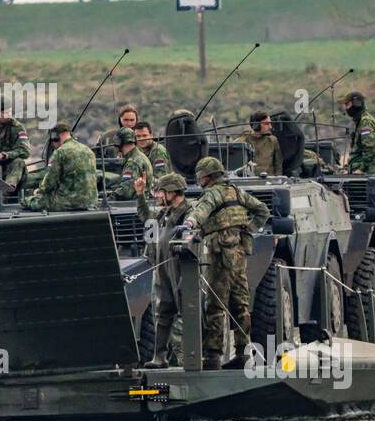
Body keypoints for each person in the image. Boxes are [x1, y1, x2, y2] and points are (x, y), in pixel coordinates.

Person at [181, 156, 270, 369]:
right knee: (241, 304)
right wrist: (249, 228)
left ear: (207, 176)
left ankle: (213, 356)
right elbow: (263, 211)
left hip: (218, 254)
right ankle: (243, 353)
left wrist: (189, 223)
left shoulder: (212, 193)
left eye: (200, 176)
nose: (199, 180)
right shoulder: (237, 192)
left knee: (215, 304)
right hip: (239, 253)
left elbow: (200, 211)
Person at [135, 171, 191, 368]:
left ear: (172, 192)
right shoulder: (163, 213)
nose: (157, 196)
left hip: (181, 267)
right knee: (162, 311)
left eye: (160, 192)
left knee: (187, 311)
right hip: (162, 267)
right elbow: (146, 219)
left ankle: (188, 356)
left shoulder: (188, 212)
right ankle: (159, 357)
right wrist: (140, 195)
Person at [23, 121, 97, 211]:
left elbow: (49, 182)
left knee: (27, 201)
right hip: (91, 201)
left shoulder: (60, 152)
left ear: (55, 136)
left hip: (68, 202)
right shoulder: (87, 150)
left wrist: (38, 192)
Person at [342, 91, 375, 174]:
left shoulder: (365, 122)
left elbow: (370, 149)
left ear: (356, 104)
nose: (346, 108)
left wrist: (362, 169)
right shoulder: (359, 121)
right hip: (357, 169)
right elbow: (357, 150)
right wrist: (347, 168)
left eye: (347, 104)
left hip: (364, 172)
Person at [237, 110, 283, 176]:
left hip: (269, 181)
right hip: (249, 181)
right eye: (266, 124)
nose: (270, 127)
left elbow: (278, 165)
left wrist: (278, 179)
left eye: (270, 123)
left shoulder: (272, 140)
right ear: (256, 125)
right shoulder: (243, 141)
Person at [111, 127, 152, 200]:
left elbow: (125, 192)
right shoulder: (139, 156)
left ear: (120, 142)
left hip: (135, 205)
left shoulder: (133, 162)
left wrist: (110, 199)